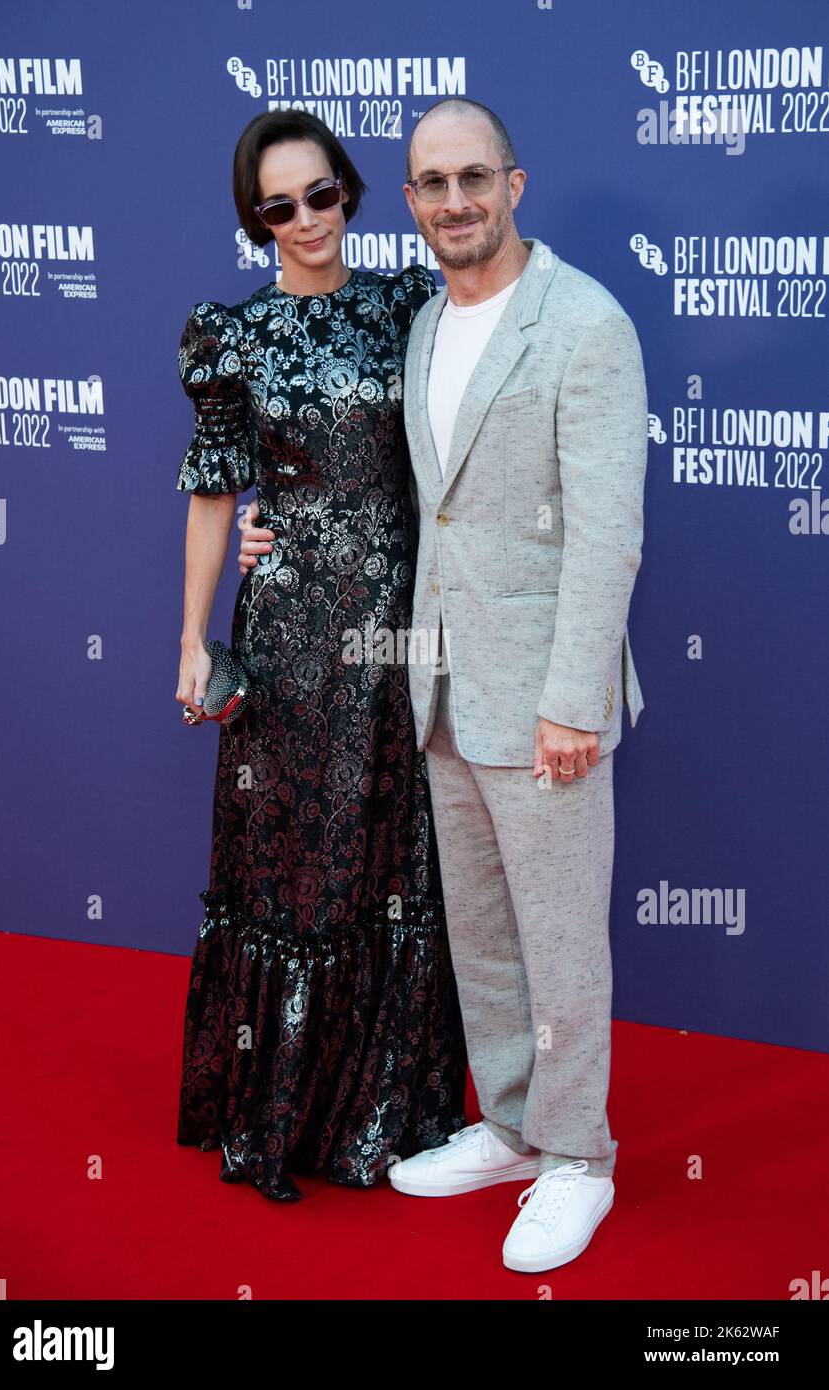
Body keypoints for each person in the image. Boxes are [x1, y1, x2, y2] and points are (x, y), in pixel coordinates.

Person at [240, 97, 649, 1271]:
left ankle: (579, 1155)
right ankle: (516, 1126)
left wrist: (572, 698)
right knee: (484, 933)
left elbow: (606, 534)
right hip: (440, 686)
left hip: (544, 701)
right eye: (430, 183)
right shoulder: (421, 327)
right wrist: (280, 527)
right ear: (410, 203)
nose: (453, 201)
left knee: (563, 936)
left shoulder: (582, 324)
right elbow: (411, 497)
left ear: (513, 184)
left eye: (473, 176)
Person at [174, 108, 468, 1203]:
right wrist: (193, 643)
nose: (304, 219)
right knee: (293, 862)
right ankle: (280, 1108)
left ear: (348, 190)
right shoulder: (231, 335)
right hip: (290, 629)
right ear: (255, 220)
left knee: (392, 856)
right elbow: (213, 496)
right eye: (276, 206)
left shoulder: (406, 301)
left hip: (398, 625)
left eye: (319, 194)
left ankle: (389, 1105)